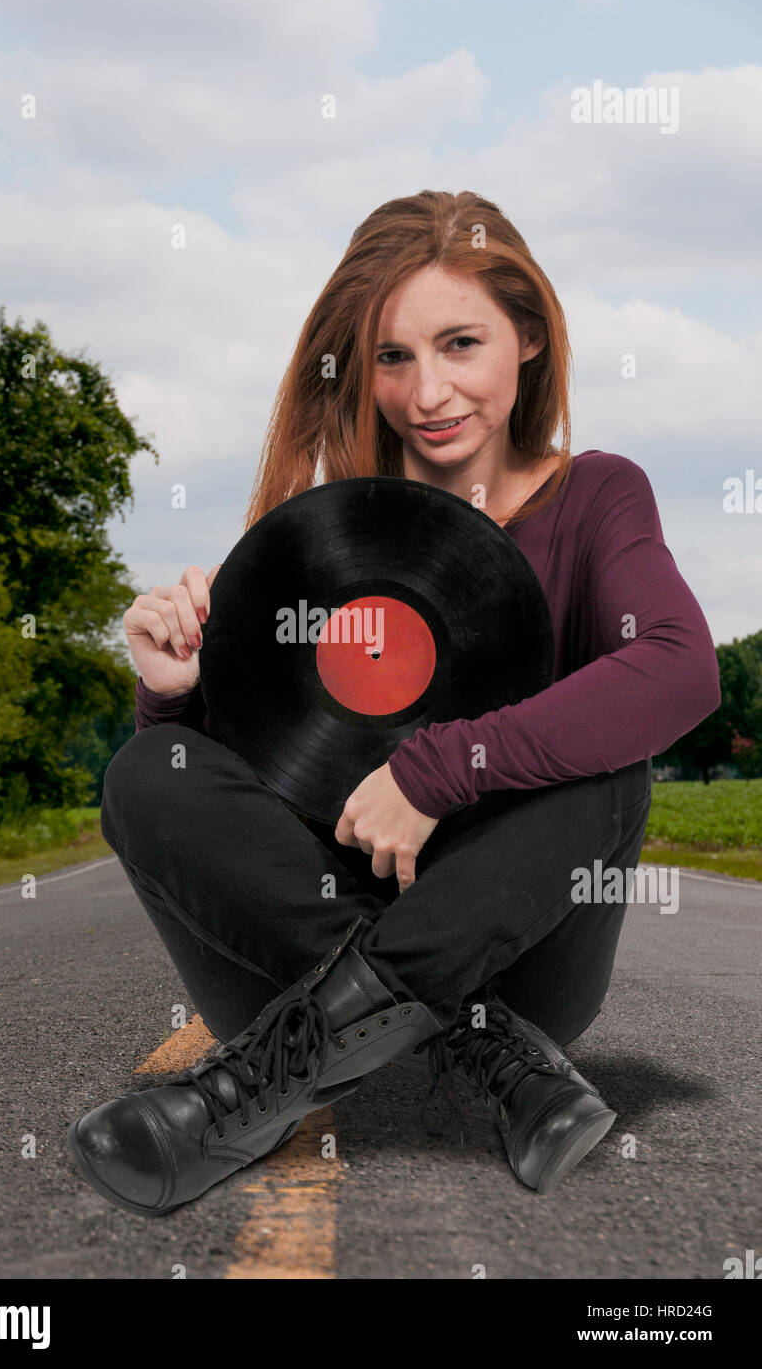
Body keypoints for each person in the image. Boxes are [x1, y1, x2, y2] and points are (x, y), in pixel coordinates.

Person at [68, 190, 721, 1215]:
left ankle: (249, 1089)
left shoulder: (596, 494)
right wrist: (171, 697)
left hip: (523, 961)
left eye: (459, 343)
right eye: (391, 358)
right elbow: (243, 789)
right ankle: (485, 1060)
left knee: (609, 765)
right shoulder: (316, 537)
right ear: (356, 371)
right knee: (149, 772)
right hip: (289, 956)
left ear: (529, 340)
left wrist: (437, 768)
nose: (427, 391)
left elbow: (679, 665)